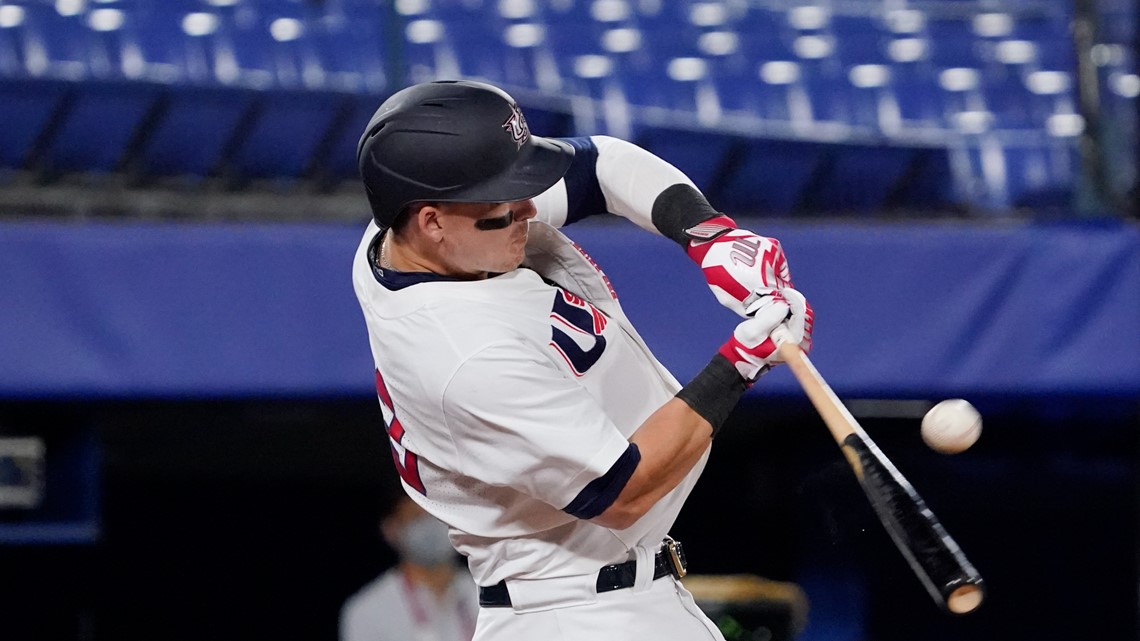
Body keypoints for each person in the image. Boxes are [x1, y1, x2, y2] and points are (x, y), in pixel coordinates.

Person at [350, 79, 813, 641]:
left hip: (611, 597)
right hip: (574, 613)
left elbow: (600, 166)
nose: (527, 208)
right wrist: (741, 362)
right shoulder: (462, 356)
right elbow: (623, 490)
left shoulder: (409, 232)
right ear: (432, 222)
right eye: (503, 206)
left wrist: (711, 236)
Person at [339, 493, 478, 641]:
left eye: (438, 516)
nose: (430, 525)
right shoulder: (369, 610)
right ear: (391, 529)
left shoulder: (485, 596)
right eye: (417, 517)